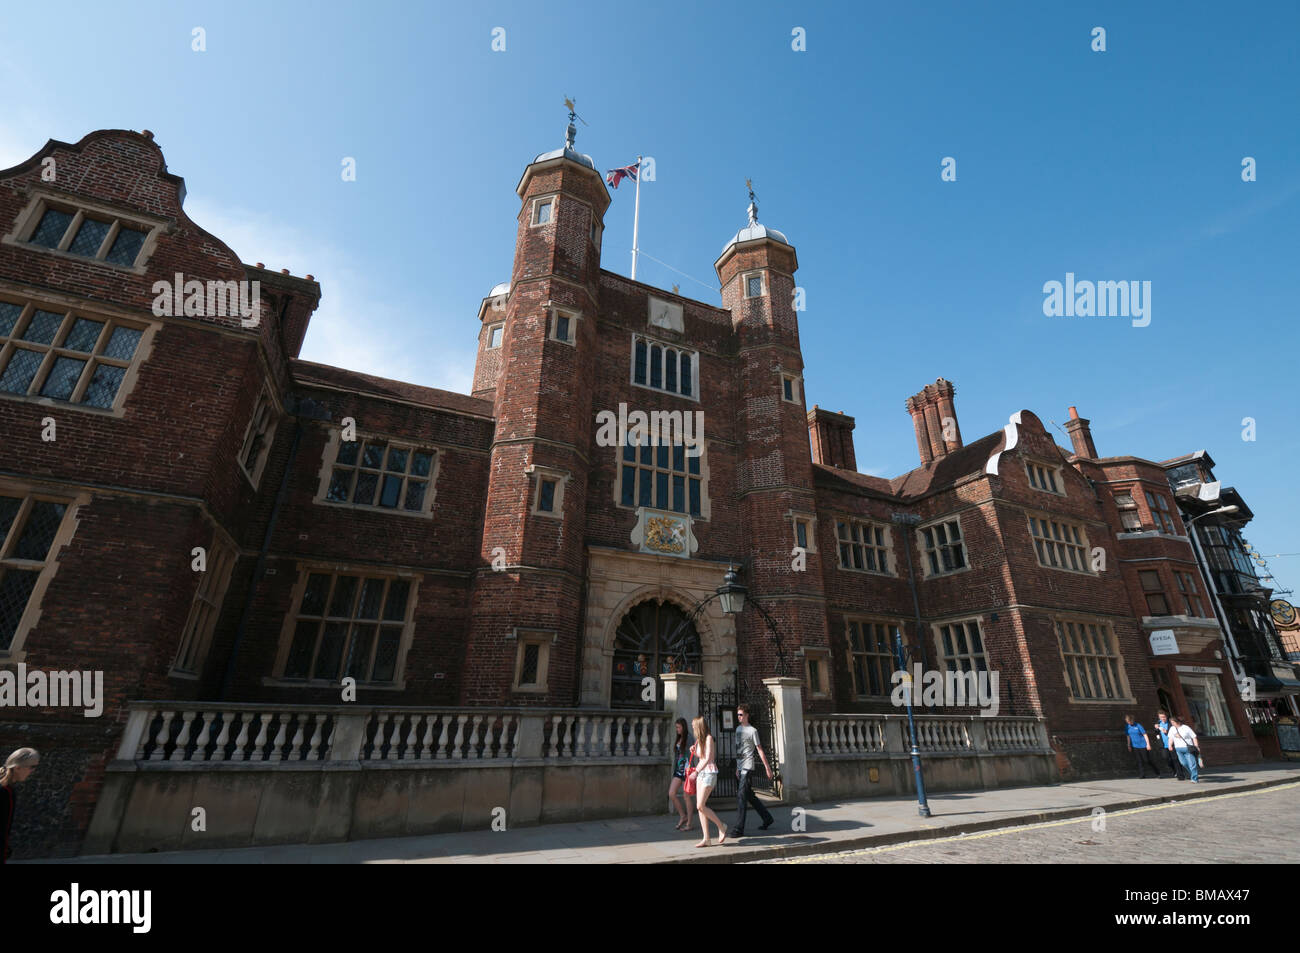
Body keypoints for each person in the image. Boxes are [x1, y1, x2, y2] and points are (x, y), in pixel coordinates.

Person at [730, 703, 774, 838]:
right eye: (737, 715)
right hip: (741, 766)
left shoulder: (752, 731)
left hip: (748, 766)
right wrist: (737, 767)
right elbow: (738, 750)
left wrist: (767, 768)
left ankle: (739, 829)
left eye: (741, 715)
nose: (739, 717)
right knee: (750, 796)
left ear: (747, 715)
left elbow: (759, 749)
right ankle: (767, 818)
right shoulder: (738, 730)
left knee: (741, 796)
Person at [689, 716, 726, 848]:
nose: (692, 727)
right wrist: (694, 750)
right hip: (701, 774)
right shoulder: (698, 740)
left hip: (709, 773)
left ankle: (721, 826)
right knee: (701, 808)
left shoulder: (709, 738)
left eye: (694, 725)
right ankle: (707, 838)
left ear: (699, 726)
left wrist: (696, 771)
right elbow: (701, 756)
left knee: (700, 805)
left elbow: (708, 758)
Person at [1, 747, 40, 863]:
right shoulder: (5, 792)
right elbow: (4, 826)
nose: (33, 771)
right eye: (32, 767)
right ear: (18, 767)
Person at [668, 718, 696, 831]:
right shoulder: (679, 737)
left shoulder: (689, 738)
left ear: (683, 727)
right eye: (676, 727)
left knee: (686, 796)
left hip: (686, 771)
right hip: (678, 770)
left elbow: (691, 754)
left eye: (678, 727)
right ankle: (682, 816)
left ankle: (689, 823)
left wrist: (690, 771)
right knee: (671, 793)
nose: (677, 729)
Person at [1154, 710, 1187, 780]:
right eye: (1161, 717)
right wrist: (1156, 728)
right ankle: (1175, 771)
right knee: (1166, 758)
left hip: (1172, 744)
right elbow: (1156, 733)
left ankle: (1180, 774)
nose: (1163, 718)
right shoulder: (1158, 723)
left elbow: (1175, 732)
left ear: (1166, 716)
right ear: (1159, 717)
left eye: (1164, 717)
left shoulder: (1170, 723)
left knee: (1175, 759)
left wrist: (1166, 731)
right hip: (1163, 745)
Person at [1167, 716, 1201, 783]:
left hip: (1188, 748)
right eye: (1171, 722)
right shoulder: (1172, 729)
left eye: (1173, 722)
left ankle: (1194, 778)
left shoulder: (1186, 728)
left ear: (1177, 722)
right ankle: (1193, 774)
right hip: (1178, 749)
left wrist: (1196, 746)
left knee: (1192, 764)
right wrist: (1170, 745)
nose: (1172, 723)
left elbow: (1194, 737)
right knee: (1184, 763)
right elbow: (1170, 738)